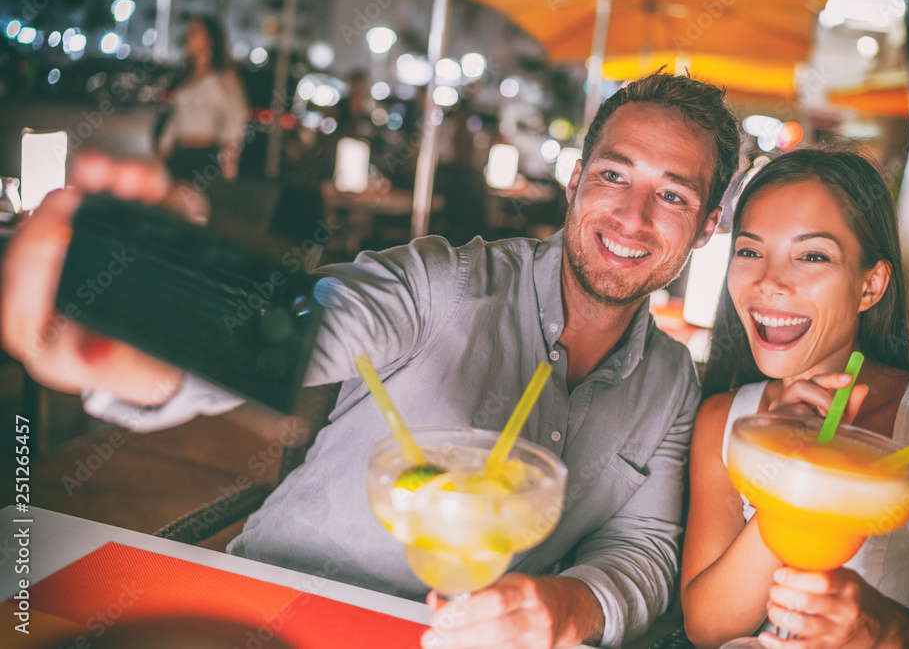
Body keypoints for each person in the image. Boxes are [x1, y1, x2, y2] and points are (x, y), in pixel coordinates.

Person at [0, 71, 741, 648]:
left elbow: (642, 546)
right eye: (614, 175)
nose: (633, 216)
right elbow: (295, 330)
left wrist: (571, 604)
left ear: (707, 227)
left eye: (672, 196)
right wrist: (141, 335)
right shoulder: (444, 284)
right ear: (576, 179)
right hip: (275, 613)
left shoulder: (672, 383)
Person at [681, 149, 909, 648]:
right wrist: (792, 474)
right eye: (749, 251)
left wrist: (885, 627)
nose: (769, 282)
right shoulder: (724, 419)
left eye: (812, 256)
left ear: (870, 285)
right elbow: (708, 627)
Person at [157, 15, 249, 184]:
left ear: (210, 39)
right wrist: (163, 148)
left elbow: (234, 119)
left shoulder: (223, 78)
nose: (188, 37)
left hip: (204, 156)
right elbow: (177, 117)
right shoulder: (186, 77)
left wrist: (229, 165)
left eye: (194, 32)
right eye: (187, 32)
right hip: (179, 154)